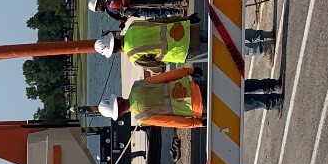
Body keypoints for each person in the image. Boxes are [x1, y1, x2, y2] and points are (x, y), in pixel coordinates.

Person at [97, 66, 284, 128]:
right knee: (235, 86)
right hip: (193, 87)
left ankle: (272, 101)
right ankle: (271, 84)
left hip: (196, 106)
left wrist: (196, 124)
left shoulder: (141, 117)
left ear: (120, 113)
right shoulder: (137, 86)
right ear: (119, 99)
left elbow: (172, 122)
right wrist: (189, 71)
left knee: (236, 104)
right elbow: (166, 76)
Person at [95, 18, 275, 72]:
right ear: (114, 35)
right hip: (183, 30)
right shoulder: (133, 26)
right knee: (224, 35)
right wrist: (185, 19)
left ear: (115, 52)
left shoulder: (133, 56)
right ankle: (262, 35)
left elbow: (157, 68)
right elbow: (161, 20)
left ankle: (263, 48)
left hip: (184, 50)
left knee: (223, 52)